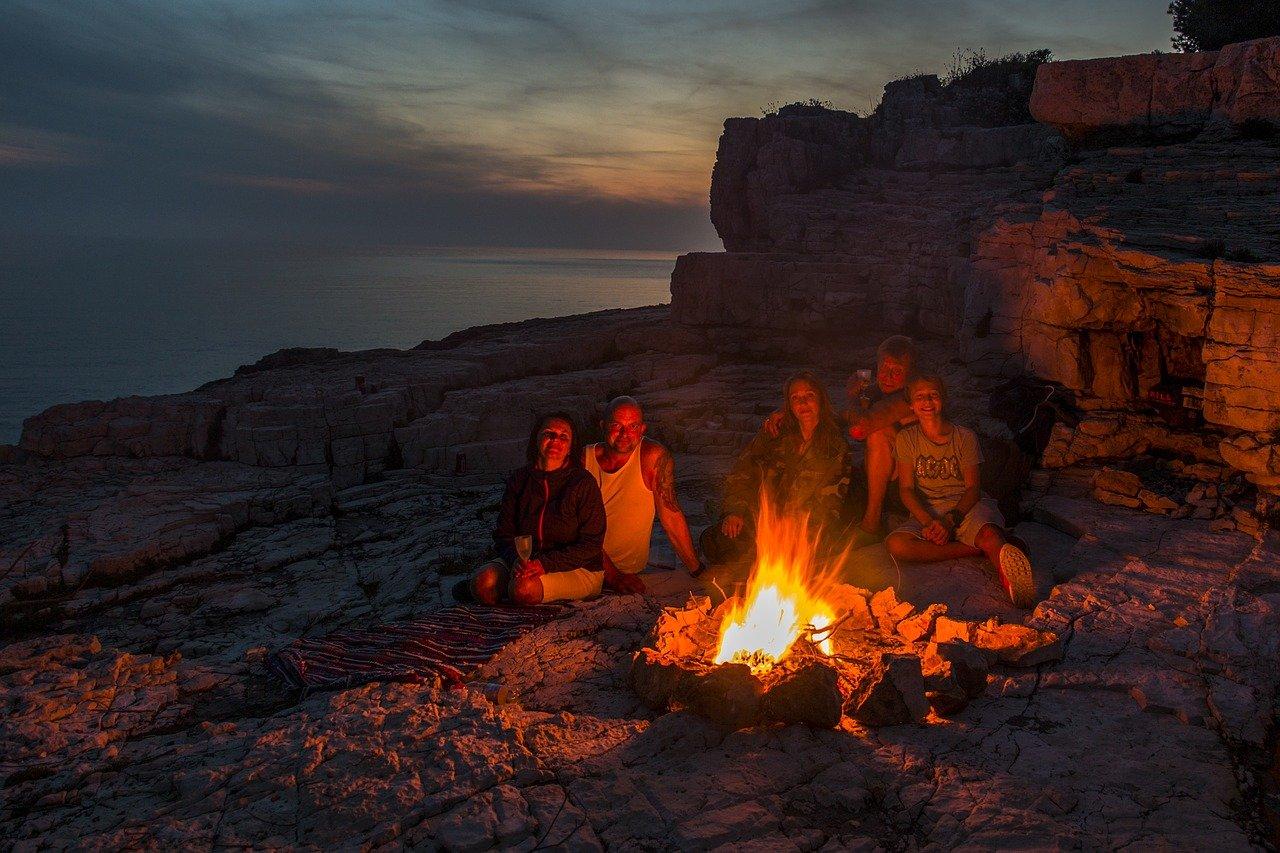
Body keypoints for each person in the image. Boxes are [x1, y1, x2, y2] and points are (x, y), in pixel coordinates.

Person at [884, 373, 1036, 608]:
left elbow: (973, 488)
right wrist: (927, 522)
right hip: (929, 510)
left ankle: (1016, 587)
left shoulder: (964, 437)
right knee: (896, 545)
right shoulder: (907, 438)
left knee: (991, 536)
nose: (927, 401)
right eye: (920, 397)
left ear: (942, 399)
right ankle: (973, 549)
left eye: (933, 395)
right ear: (912, 405)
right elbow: (905, 489)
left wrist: (949, 521)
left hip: (965, 507)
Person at [765, 336, 918, 547]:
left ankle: (871, 525)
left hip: (911, 488)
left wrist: (854, 397)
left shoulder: (912, 395)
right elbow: (838, 415)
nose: (888, 376)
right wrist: (794, 411)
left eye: (897, 371)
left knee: (877, 434)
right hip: (882, 481)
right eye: (884, 368)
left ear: (911, 373)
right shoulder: (876, 391)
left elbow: (861, 428)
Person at [701, 371, 850, 583]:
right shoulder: (775, 433)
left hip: (805, 526)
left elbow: (830, 504)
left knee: (801, 553)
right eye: (795, 398)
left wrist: (791, 529)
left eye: (809, 396)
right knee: (716, 542)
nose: (803, 403)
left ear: (820, 399)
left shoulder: (834, 446)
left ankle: (756, 567)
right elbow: (744, 471)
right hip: (766, 518)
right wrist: (736, 510)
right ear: (788, 405)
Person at [457, 412, 606, 605]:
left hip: (578, 568)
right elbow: (504, 534)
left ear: (570, 447)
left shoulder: (582, 483)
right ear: (537, 439)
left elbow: (592, 544)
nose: (555, 441)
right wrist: (516, 561)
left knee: (523, 589)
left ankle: (514, 595)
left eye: (563, 437)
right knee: (483, 583)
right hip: (527, 563)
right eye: (548, 434)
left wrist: (544, 565)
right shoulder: (520, 480)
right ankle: (493, 593)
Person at [584, 396, 704, 594]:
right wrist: (612, 575)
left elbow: (670, 514)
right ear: (603, 425)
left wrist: (696, 569)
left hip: (631, 571)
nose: (625, 434)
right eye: (617, 425)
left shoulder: (653, 457)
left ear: (642, 429)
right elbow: (576, 528)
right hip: (586, 566)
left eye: (633, 426)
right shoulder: (584, 460)